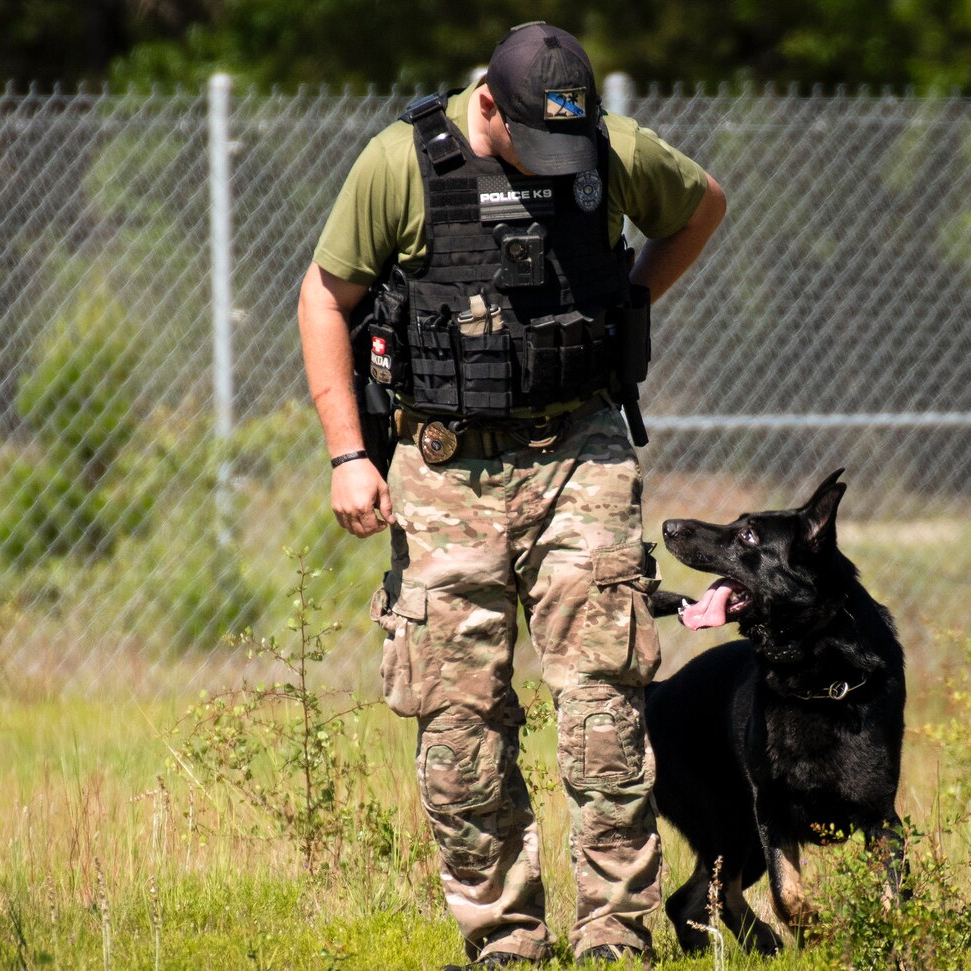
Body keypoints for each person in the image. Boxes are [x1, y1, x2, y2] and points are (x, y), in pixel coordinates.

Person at [297, 22, 725, 968]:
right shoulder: (402, 164)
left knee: (606, 708)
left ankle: (616, 934)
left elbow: (701, 207)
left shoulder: (607, 148)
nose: (551, 162)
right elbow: (324, 298)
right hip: (445, 470)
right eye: (532, 141)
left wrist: (631, 300)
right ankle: (506, 938)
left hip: (580, 454)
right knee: (459, 725)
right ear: (488, 102)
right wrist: (346, 454)